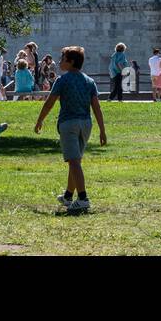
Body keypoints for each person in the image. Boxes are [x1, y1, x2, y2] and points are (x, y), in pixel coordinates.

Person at [33, 46, 107, 213]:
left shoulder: (62, 80)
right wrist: (102, 130)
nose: (60, 62)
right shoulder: (89, 81)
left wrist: (40, 120)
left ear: (71, 62)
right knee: (76, 162)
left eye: (63, 59)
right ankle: (68, 196)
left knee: (73, 162)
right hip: (86, 124)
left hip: (69, 124)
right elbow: (97, 107)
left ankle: (82, 198)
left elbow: (50, 102)